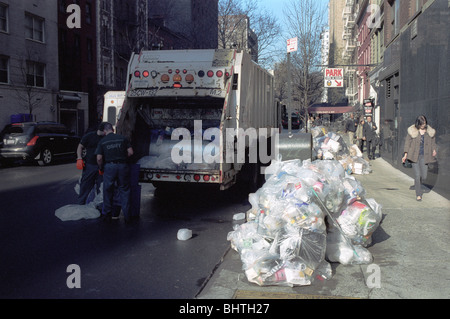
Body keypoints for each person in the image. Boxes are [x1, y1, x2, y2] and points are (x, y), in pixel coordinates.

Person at [96, 122, 134, 222]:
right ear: (112, 129)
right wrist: (123, 158)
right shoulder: (122, 138)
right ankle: (127, 216)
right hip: (123, 166)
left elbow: (99, 158)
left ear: (104, 131)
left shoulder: (103, 141)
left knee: (108, 190)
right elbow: (131, 152)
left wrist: (101, 168)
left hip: (109, 167)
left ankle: (107, 214)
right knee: (124, 190)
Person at [402, 115, 437, 201]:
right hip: (414, 156)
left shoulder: (429, 131)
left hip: (425, 156)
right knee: (417, 175)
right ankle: (418, 194)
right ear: (418, 123)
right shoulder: (412, 131)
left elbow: (433, 142)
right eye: (421, 123)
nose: (423, 125)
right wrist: (405, 155)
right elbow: (407, 143)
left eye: (424, 123)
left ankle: (418, 183)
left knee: (424, 176)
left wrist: (434, 149)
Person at [76, 122, 107, 205]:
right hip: (90, 165)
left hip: (102, 166)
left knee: (101, 187)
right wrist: (79, 158)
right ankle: (81, 204)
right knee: (85, 186)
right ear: (103, 130)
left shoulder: (106, 137)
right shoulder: (89, 136)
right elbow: (80, 146)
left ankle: (99, 206)